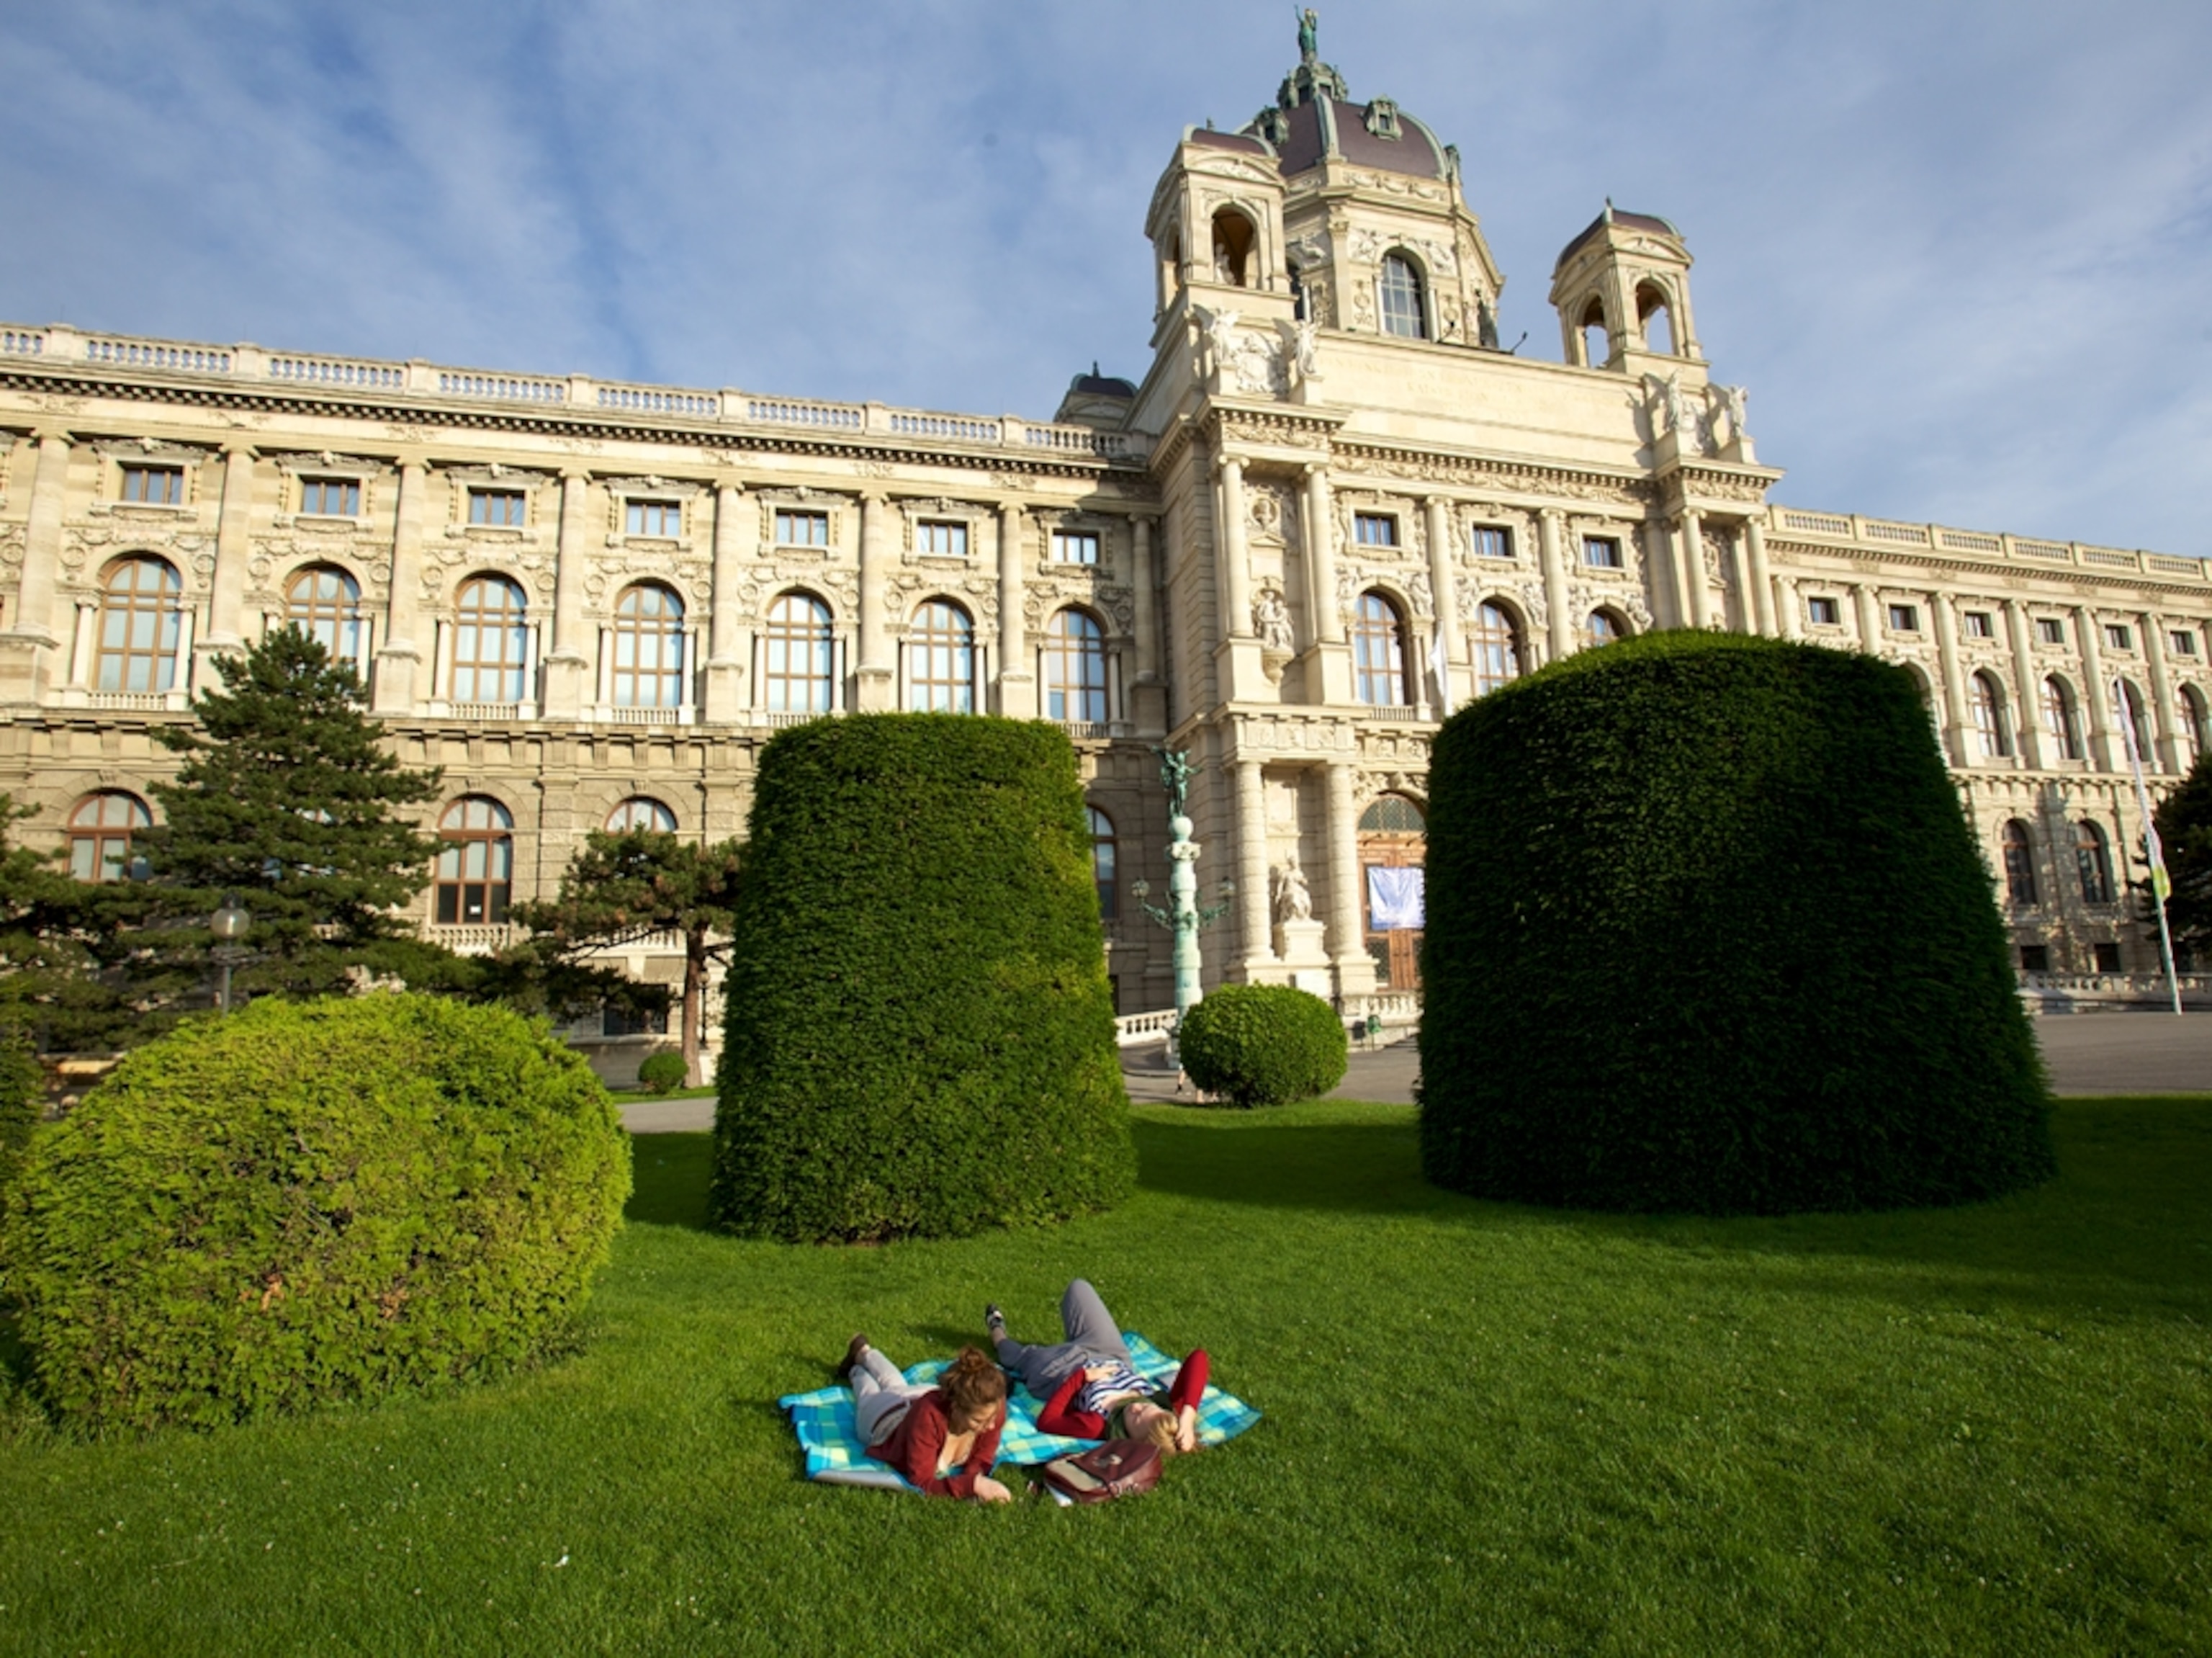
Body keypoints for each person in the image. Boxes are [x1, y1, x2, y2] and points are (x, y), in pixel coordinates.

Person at [986, 1279, 1208, 1455]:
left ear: (1133, 1440)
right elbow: (1198, 1358)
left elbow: (1047, 1422)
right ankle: (1072, 1340)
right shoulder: (1163, 1407)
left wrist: (1080, 1378)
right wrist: (1187, 1417)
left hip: (1059, 1371)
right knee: (1078, 1288)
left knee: (1012, 1355)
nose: (1137, 1408)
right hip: (1108, 1351)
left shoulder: (1096, 1425)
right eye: (1147, 1408)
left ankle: (996, 1328)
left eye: (1136, 1419)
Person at [843, 1336, 1013, 1502]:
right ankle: (856, 1369)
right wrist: (972, 1485)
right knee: (868, 1395)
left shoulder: (992, 1403)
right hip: (884, 1417)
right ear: (955, 1407)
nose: (991, 1426)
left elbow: (983, 1457)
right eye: (978, 1421)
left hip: (915, 1396)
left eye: (992, 1417)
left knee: (896, 1385)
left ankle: (864, 1351)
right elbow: (921, 1482)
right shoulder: (929, 1417)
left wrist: (976, 1476)